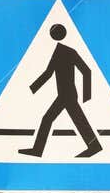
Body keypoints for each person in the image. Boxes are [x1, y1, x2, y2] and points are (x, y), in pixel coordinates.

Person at [18, 24, 102, 160]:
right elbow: (48, 73)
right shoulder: (61, 52)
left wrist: (87, 96)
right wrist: (32, 88)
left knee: (52, 119)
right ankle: (94, 146)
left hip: (67, 95)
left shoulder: (65, 51)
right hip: (64, 94)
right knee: (72, 120)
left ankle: (38, 150)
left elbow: (86, 71)